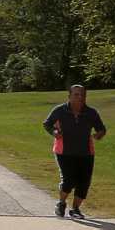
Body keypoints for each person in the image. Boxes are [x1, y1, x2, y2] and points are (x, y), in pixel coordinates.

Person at [43, 84, 106, 220]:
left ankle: (75, 209)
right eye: (76, 94)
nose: (80, 97)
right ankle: (61, 203)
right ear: (69, 96)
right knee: (68, 180)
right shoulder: (60, 110)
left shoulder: (91, 112)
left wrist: (99, 135)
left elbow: (101, 129)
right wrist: (54, 132)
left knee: (84, 182)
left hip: (86, 152)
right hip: (64, 150)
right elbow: (47, 124)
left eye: (82, 95)